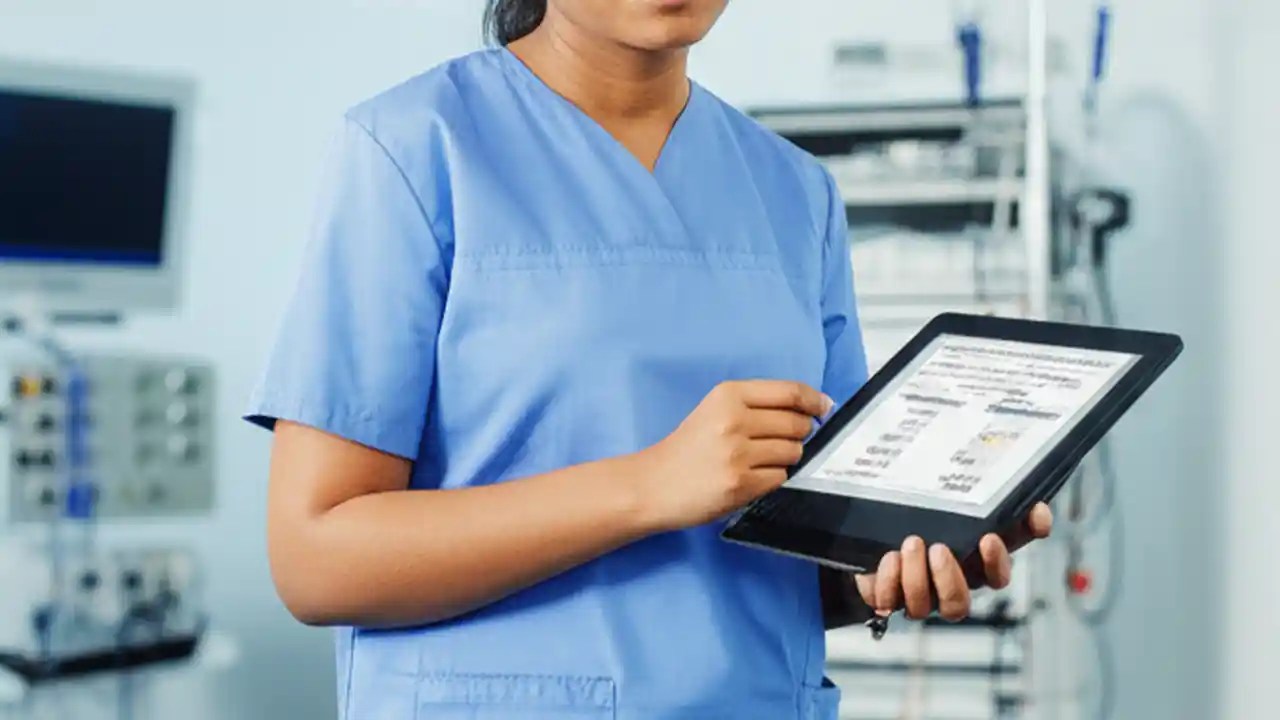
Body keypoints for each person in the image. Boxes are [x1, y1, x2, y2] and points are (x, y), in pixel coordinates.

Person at [246, 1, 1054, 718]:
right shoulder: (415, 150)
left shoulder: (795, 194)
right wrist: (647, 486)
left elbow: (804, 559)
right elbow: (318, 559)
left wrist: (898, 564)